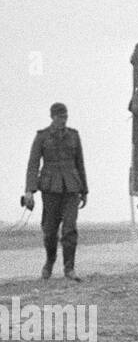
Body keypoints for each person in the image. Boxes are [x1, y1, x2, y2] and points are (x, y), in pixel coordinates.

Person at [24, 102, 88, 281]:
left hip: (71, 189)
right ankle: (50, 261)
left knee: (70, 229)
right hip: (50, 189)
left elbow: (80, 164)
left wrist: (84, 190)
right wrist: (29, 190)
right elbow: (33, 164)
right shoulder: (42, 137)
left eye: (66, 117)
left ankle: (69, 269)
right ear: (52, 117)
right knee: (50, 231)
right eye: (60, 117)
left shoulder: (74, 136)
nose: (63, 120)